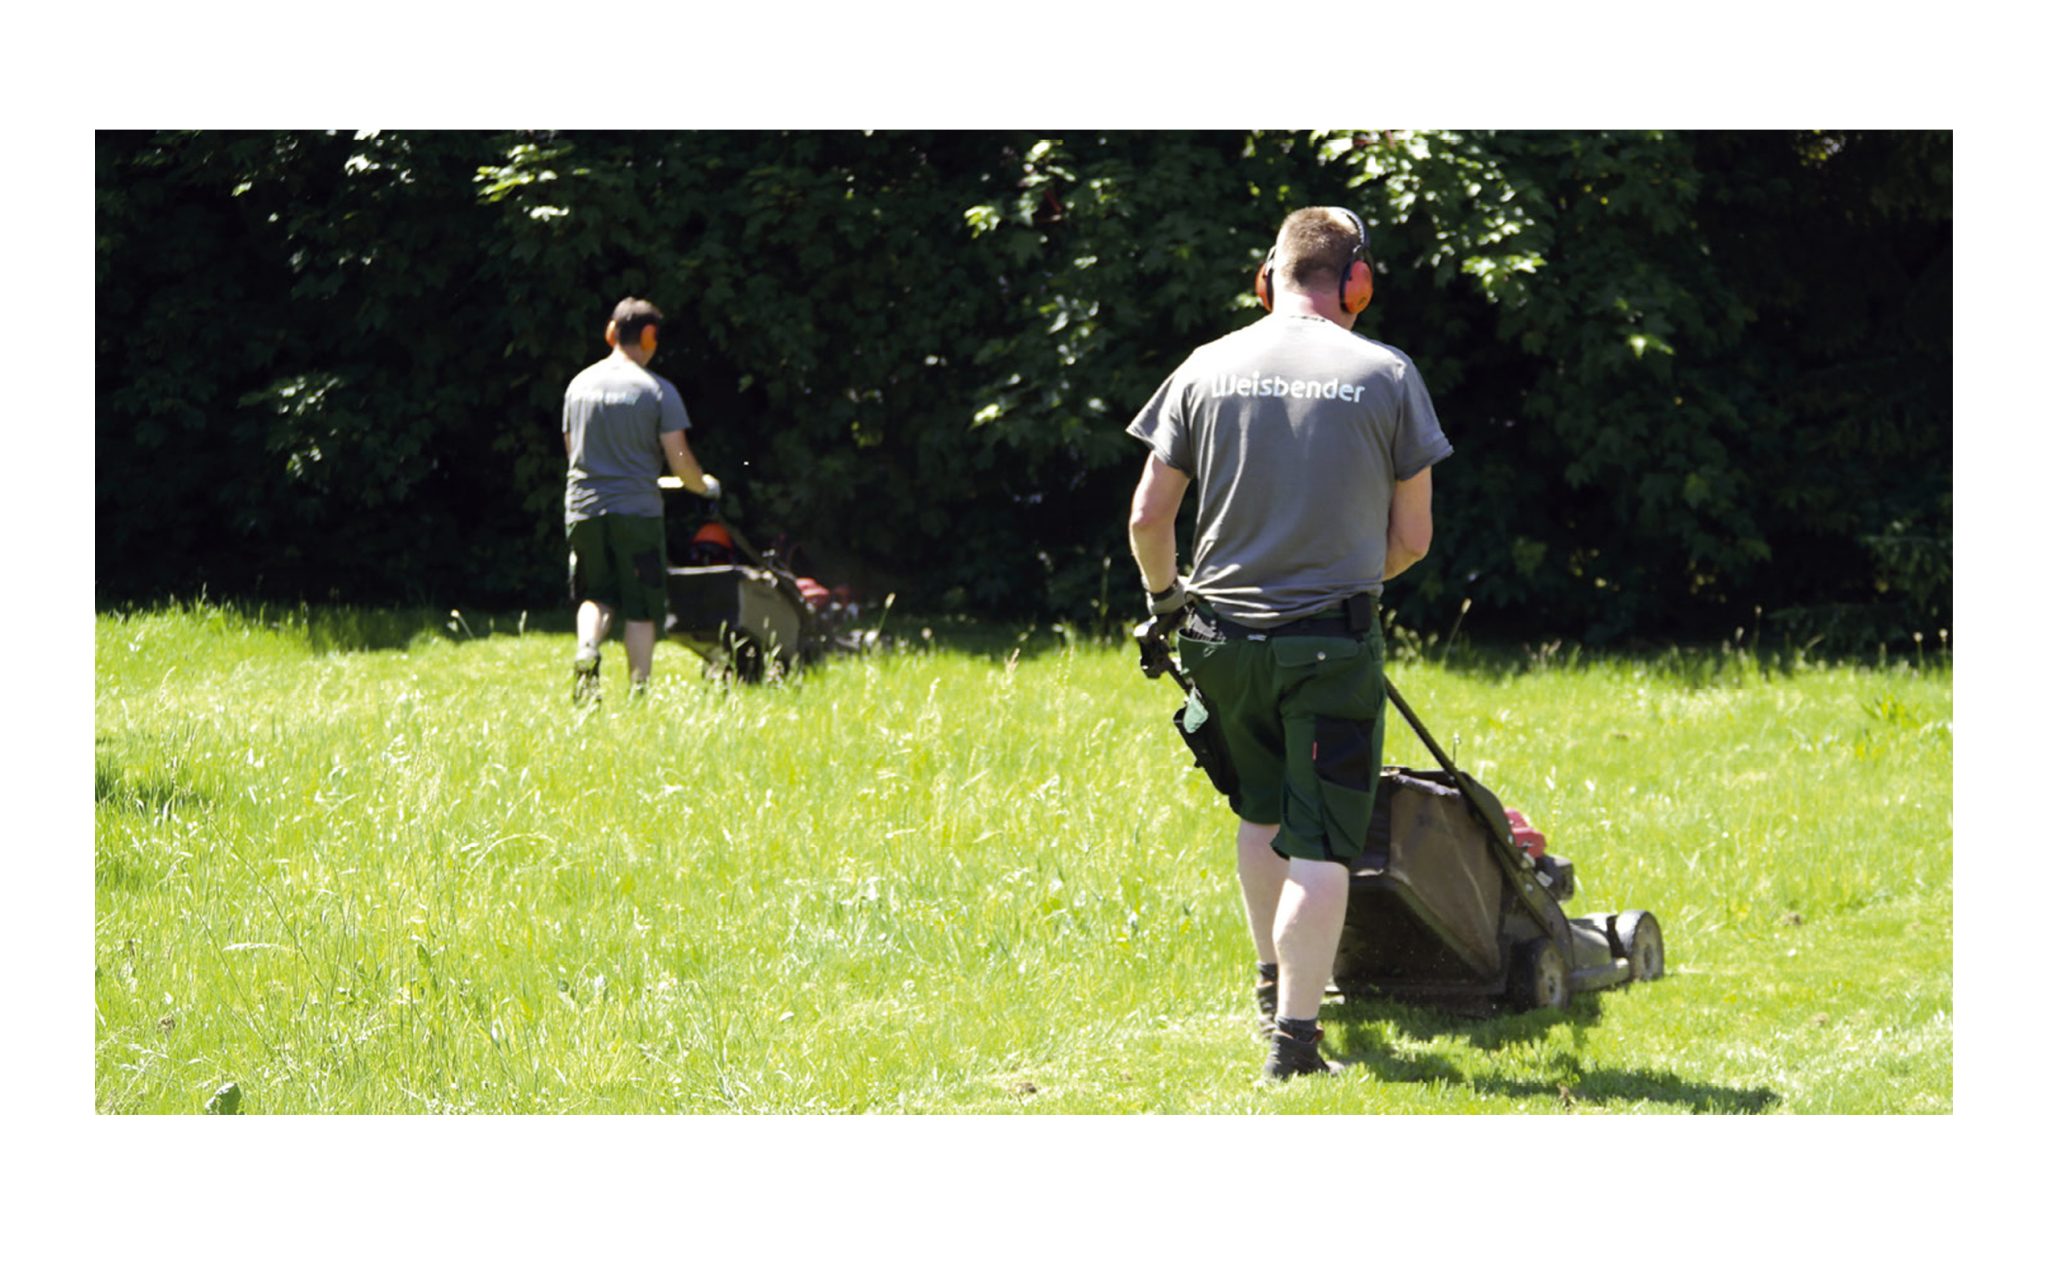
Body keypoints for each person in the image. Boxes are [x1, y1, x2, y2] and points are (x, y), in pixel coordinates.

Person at [1125, 207, 1451, 1080]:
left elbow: (1149, 516)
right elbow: (1413, 539)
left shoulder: (1205, 367)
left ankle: (1272, 989)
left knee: (1258, 812)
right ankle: (1297, 1047)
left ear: (1267, 279)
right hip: (1330, 648)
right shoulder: (1387, 374)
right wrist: (1347, 571)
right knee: (1320, 843)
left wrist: (1165, 600)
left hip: (1219, 644)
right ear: (1357, 283)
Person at [563, 297, 721, 702]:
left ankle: (587, 649)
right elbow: (680, 460)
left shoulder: (578, 385)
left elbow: (572, 451)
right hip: (637, 513)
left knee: (594, 593)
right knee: (641, 605)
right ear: (650, 337)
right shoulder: (656, 391)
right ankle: (639, 692)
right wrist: (703, 487)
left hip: (582, 509)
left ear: (611, 333)